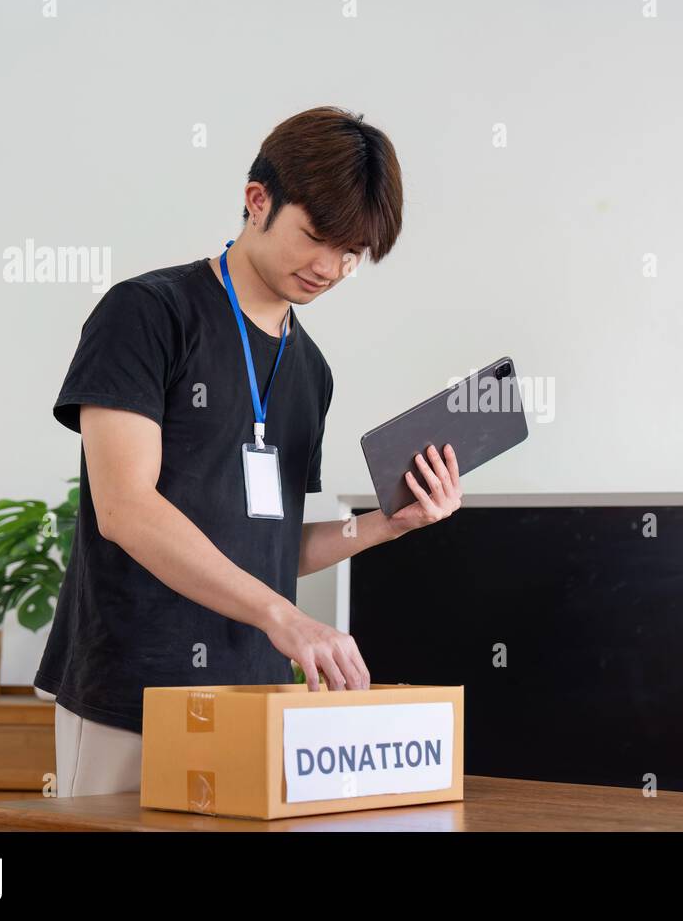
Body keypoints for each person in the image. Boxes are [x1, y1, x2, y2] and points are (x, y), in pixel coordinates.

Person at [35, 107, 462, 798]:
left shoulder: (311, 370)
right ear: (257, 200)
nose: (331, 267)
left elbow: (271, 549)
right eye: (318, 238)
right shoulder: (146, 313)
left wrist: (388, 523)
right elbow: (124, 509)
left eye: (352, 253)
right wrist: (284, 617)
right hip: (131, 688)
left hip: (255, 697)